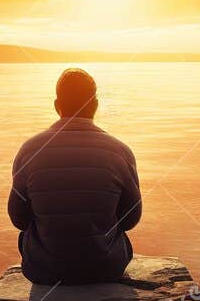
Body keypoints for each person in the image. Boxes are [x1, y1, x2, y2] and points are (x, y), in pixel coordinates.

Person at [7, 68, 142, 284]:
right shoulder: (120, 151)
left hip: (45, 271)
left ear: (56, 105)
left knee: (27, 234)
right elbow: (131, 220)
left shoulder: (30, 150)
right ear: (95, 106)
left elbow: (19, 219)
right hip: (106, 269)